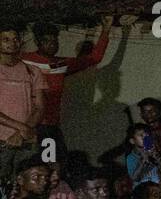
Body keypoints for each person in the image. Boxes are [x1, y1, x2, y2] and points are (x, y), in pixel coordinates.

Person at [22, 16, 121, 159]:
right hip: (29, 123)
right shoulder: (24, 60)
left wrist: (106, 29)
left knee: (55, 164)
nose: (51, 45)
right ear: (37, 42)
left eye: (54, 41)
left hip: (50, 124)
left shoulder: (61, 64)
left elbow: (95, 58)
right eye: (46, 41)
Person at [0, 27, 48, 199]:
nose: (12, 43)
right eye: (6, 39)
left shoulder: (32, 71)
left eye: (15, 39)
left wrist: (23, 131)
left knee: (27, 190)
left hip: (27, 140)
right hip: (3, 140)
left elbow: (40, 107)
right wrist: (19, 127)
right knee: (2, 189)